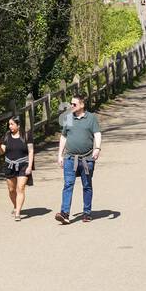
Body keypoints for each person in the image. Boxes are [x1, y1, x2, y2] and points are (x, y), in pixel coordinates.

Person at [55, 94, 101, 224]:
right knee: (68, 184)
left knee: (87, 185)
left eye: (74, 104)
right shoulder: (68, 118)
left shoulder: (91, 118)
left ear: (82, 105)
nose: (71, 106)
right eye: (70, 104)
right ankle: (64, 213)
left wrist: (97, 149)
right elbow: (64, 137)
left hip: (86, 158)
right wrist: (60, 155)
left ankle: (86, 213)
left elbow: (97, 134)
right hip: (70, 158)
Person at [0, 116, 35, 222]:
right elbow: (1, 152)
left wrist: (30, 166)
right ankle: (16, 206)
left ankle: (18, 212)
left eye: (12, 124)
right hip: (9, 165)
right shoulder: (7, 136)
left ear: (18, 125)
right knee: (12, 190)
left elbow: (31, 151)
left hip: (23, 165)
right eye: (9, 124)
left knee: (20, 188)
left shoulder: (26, 136)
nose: (10, 126)